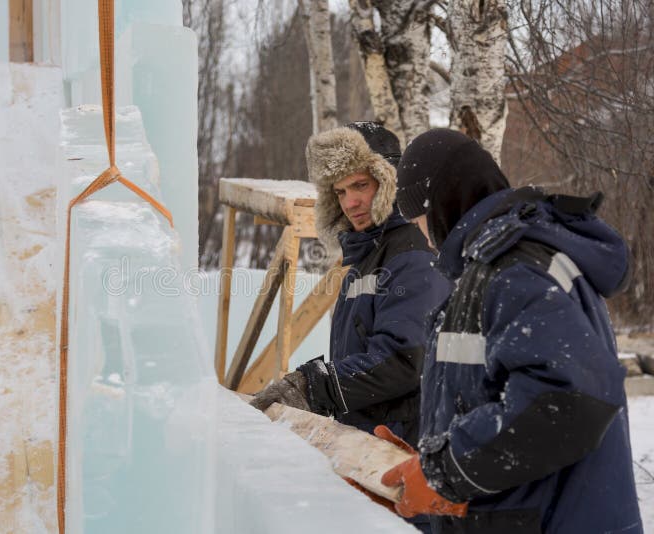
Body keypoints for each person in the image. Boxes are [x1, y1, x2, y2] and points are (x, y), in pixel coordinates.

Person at [379, 128, 643, 533]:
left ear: (444, 204)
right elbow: (488, 401)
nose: (427, 240)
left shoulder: (514, 269)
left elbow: (567, 398)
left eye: (421, 221)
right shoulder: (494, 267)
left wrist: (441, 470)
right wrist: (426, 462)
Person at [251, 121, 450, 449]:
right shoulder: (367, 255)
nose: (350, 203)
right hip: (371, 441)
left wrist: (315, 386)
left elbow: (404, 359)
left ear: (389, 182)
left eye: (360, 185)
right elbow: (362, 350)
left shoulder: (412, 252)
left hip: (405, 450)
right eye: (340, 191)